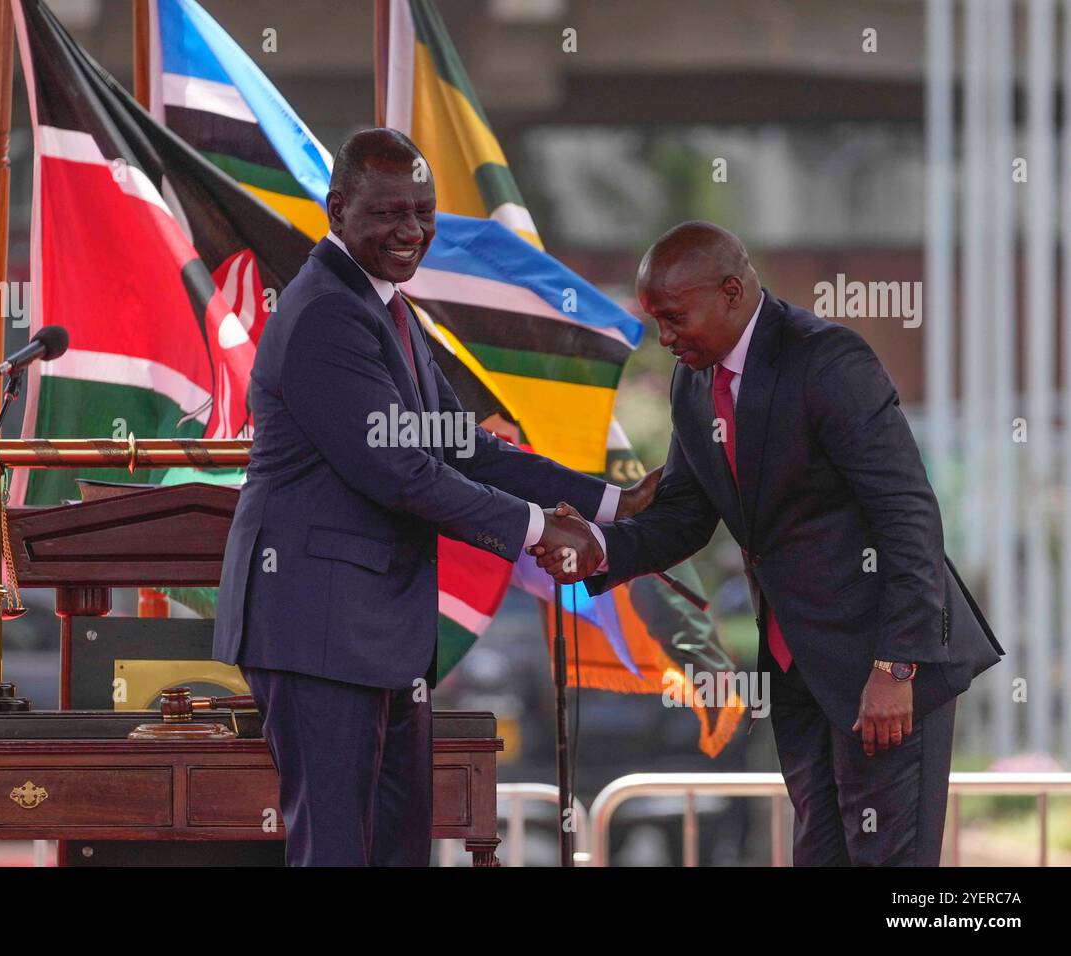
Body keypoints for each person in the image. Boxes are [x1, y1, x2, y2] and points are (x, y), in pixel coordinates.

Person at [213, 128, 638, 866]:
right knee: (338, 853)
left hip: (375, 634)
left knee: (398, 849)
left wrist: (610, 504)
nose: (410, 231)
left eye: (423, 210)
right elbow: (401, 472)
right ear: (337, 210)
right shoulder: (325, 314)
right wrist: (540, 528)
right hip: (318, 631)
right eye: (386, 212)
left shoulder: (386, 307)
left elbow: (464, 447)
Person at [535, 220, 1003, 866]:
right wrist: (600, 549)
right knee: (819, 853)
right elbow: (684, 516)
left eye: (674, 317)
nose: (664, 337)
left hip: (882, 664)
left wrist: (899, 666)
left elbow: (908, 514)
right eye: (655, 320)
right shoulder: (692, 384)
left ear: (732, 290)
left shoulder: (827, 360)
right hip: (797, 669)